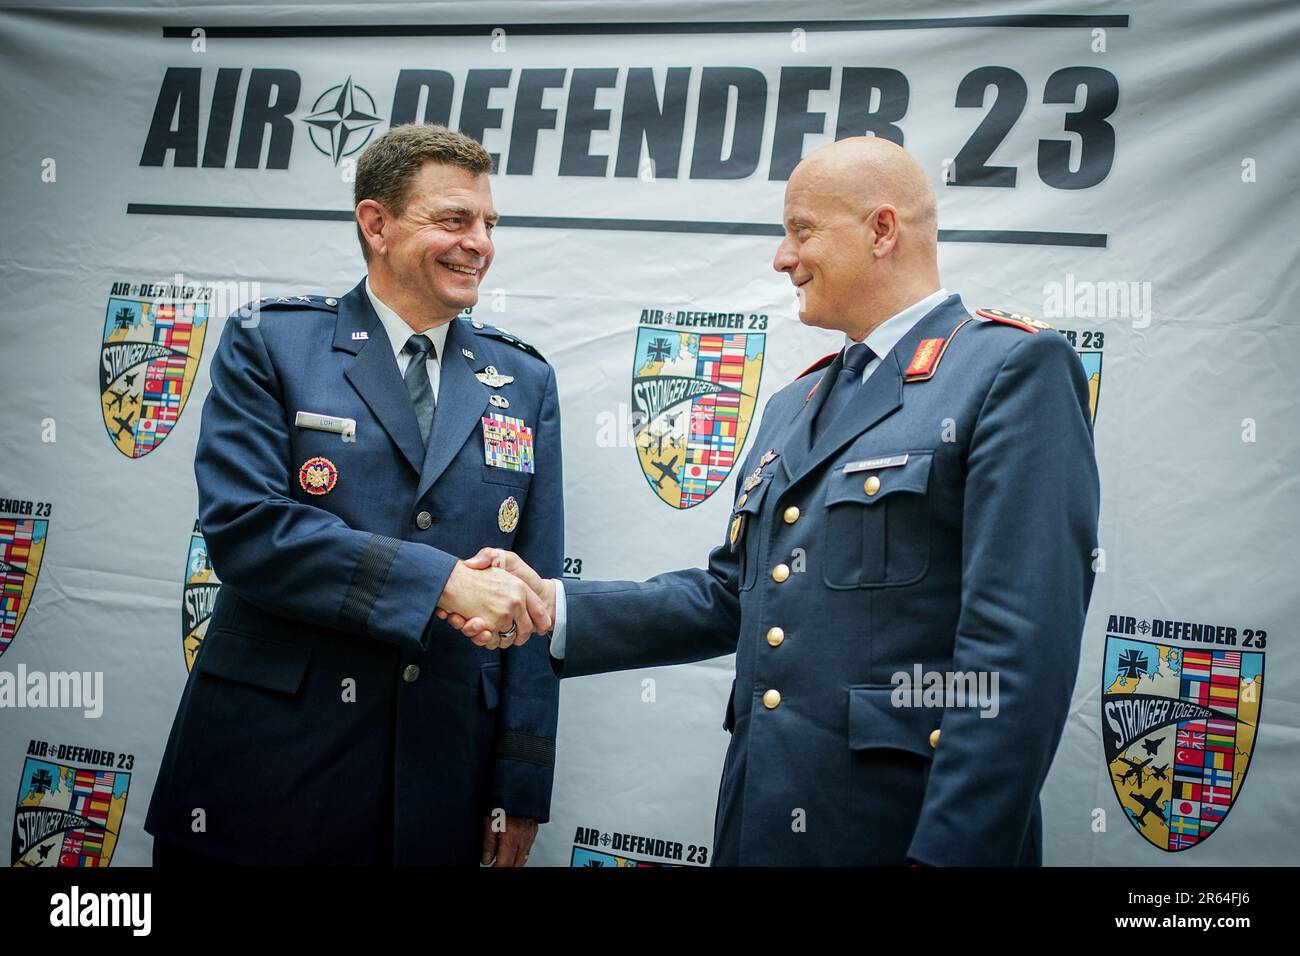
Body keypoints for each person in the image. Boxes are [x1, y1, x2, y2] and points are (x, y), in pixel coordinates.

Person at [442, 137, 1100, 866]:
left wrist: (950, 855)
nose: (783, 258)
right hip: (761, 824)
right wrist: (553, 607)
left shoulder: (1008, 369)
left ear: (882, 231)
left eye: (802, 231)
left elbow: (1017, 655)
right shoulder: (798, 401)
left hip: (900, 835)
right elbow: (734, 596)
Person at [145, 124, 562, 866]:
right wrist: (442, 583)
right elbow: (248, 531)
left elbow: (535, 594)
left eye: (489, 223)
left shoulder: (524, 381)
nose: (480, 243)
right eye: (454, 220)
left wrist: (520, 781)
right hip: (269, 776)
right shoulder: (271, 343)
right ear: (376, 223)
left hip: (440, 786)